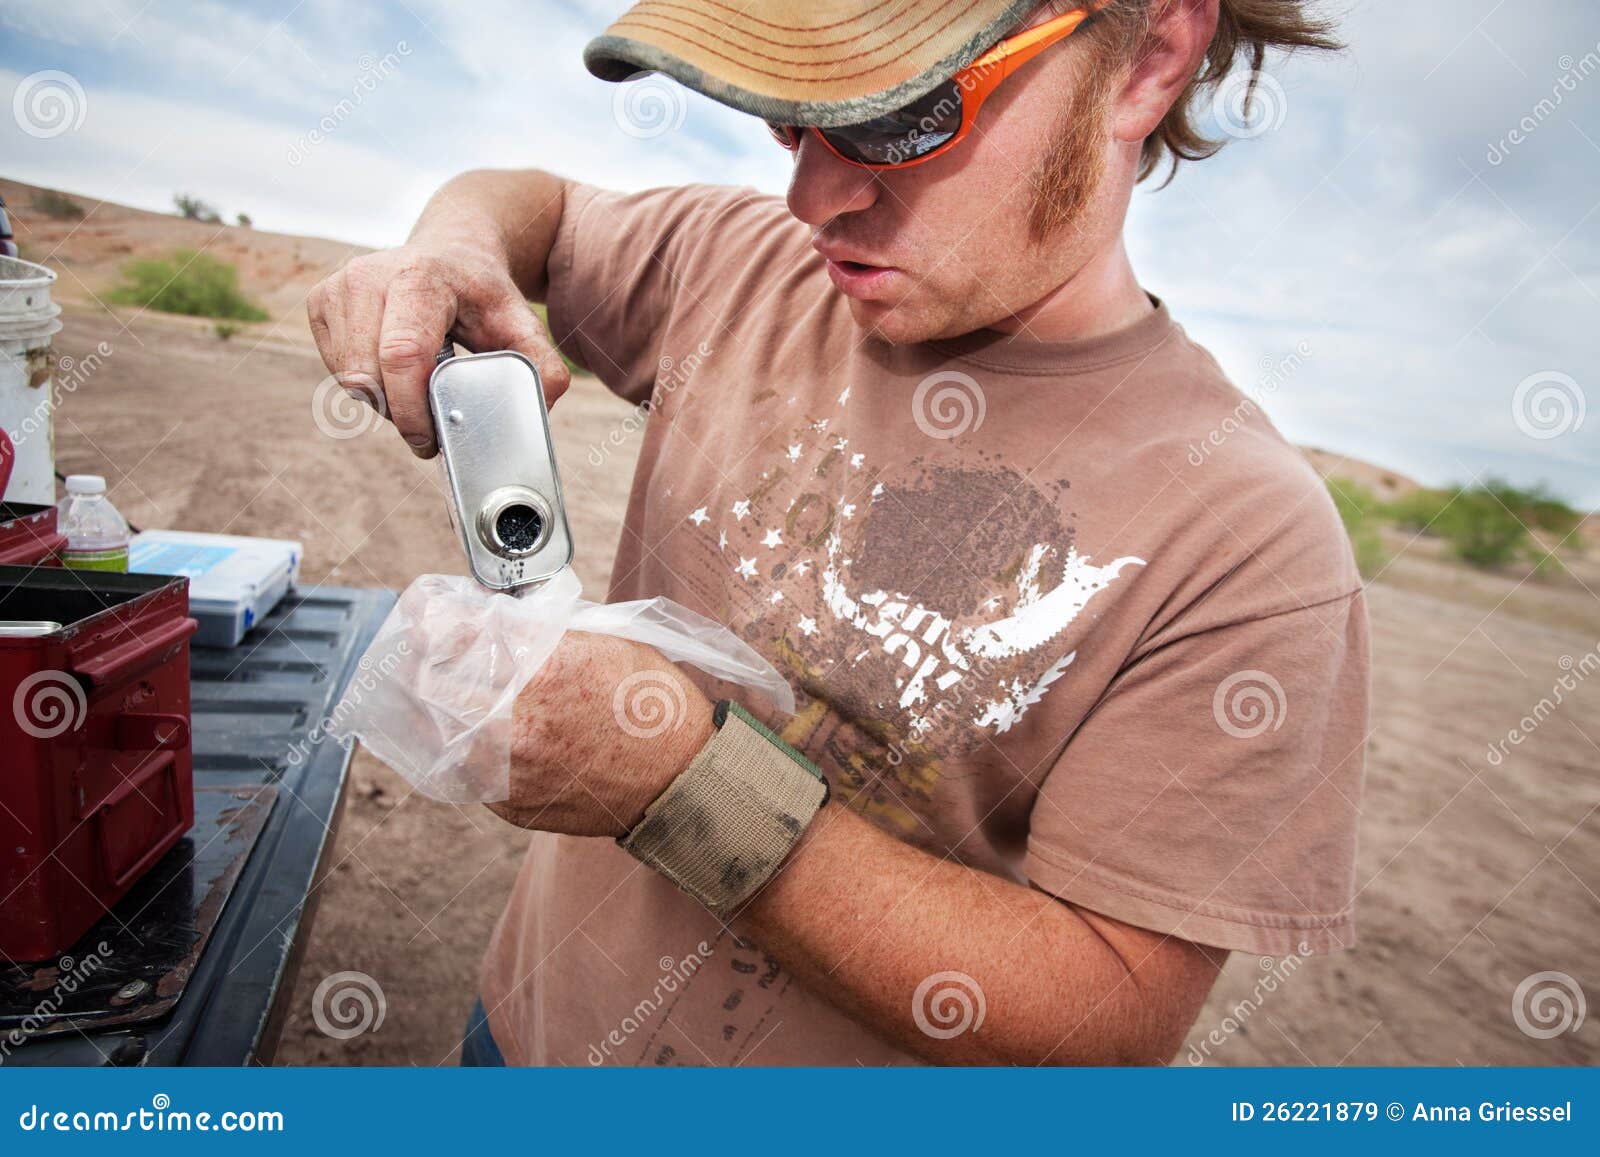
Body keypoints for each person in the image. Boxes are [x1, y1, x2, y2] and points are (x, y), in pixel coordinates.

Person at [307, 0, 1365, 1066]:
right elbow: (532, 203)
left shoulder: (1249, 542)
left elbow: (1107, 1014)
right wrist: (448, 249)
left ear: (1150, 58)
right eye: (790, 118)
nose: (813, 196)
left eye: (897, 114)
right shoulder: (739, 264)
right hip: (518, 1036)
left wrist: (681, 783)